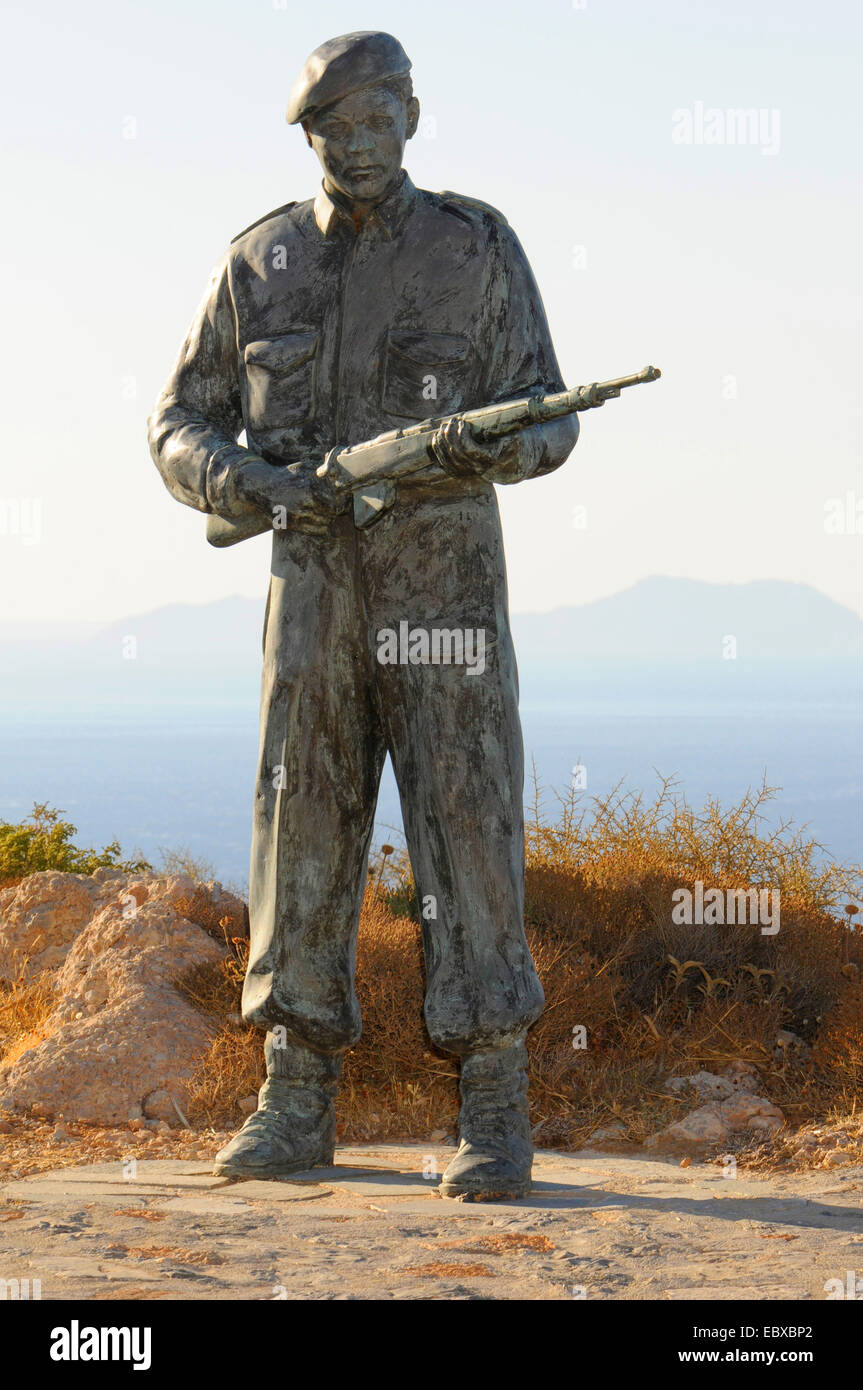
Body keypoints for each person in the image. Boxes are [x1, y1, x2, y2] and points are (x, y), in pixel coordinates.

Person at [148, 30, 579, 1199]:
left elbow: (550, 414)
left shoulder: (475, 246)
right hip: (314, 592)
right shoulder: (261, 261)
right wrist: (252, 484)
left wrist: (482, 452)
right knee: (301, 828)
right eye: (340, 128)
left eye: (381, 121)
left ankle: (492, 1104)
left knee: (466, 822)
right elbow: (176, 424)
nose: (363, 143)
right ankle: (292, 1098)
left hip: (445, 594)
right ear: (311, 136)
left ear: (413, 118)